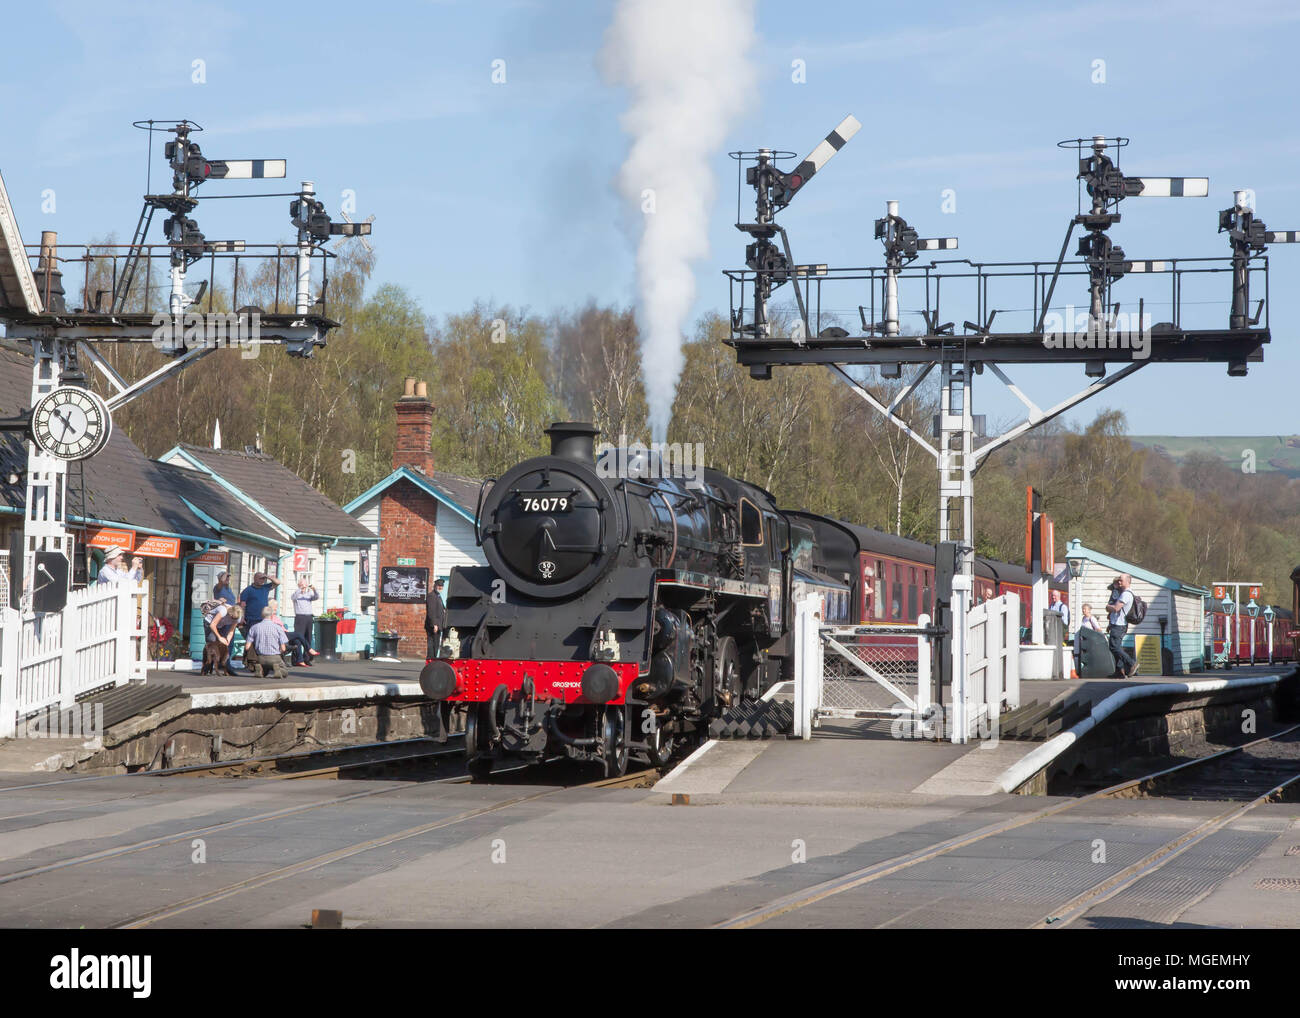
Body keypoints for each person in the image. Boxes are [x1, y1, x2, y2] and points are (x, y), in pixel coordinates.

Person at [1106, 574, 1139, 678]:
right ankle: (1119, 672)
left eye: (1121, 581)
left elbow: (1116, 608)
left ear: (1127, 582)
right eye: (1119, 581)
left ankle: (1132, 663)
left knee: (1114, 647)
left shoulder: (1126, 594)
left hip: (1119, 625)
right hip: (1117, 624)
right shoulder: (1123, 593)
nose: (1119, 582)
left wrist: (1107, 607)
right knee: (1116, 647)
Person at [246, 606, 289, 679]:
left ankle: (259, 668)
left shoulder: (254, 627)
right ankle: (278, 669)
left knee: (264, 672)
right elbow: (283, 648)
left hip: (260, 658)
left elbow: (247, 647)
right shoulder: (278, 628)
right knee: (285, 672)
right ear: (272, 615)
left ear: (262, 615)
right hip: (275, 657)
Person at [290, 576, 321, 665]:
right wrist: (300, 589)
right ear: (299, 585)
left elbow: (316, 597)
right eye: (303, 584)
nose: (304, 586)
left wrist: (314, 589)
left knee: (308, 638)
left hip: (309, 617)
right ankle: (297, 659)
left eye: (305, 584)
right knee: (298, 638)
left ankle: (307, 658)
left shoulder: (309, 594)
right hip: (300, 617)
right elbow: (293, 597)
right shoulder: (296, 594)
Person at [239, 572, 279, 637]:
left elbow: (277, 583)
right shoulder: (248, 590)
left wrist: (267, 576)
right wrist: (242, 617)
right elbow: (243, 604)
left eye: (263, 579)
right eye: (260, 578)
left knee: (262, 638)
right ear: (255, 579)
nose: (262, 580)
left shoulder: (265, 587)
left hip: (263, 619)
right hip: (251, 619)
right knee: (251, 638)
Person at [1072, 603, 1101, 676]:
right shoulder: (1084, 618)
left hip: (1091, 641)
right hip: (1084, 641)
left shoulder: (1092, 618)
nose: (1083, 610)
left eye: (1085, 609)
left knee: (1091, 656)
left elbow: (1098, 629)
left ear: (1089, 610)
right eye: (1083, 609)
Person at [425, 577, 446, 658]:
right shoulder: (432, 596)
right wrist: (435, 624)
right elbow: (431, 612)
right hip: (433, 626)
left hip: (437, 625)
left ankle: (433, 660)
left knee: (436, 645)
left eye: (442, 586)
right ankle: (430, 661)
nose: (440, 587)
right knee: (432, 645)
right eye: (438, 586)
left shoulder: (438, 596)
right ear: (435, 586)